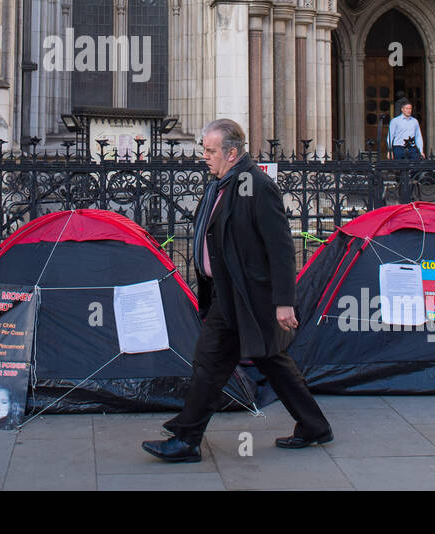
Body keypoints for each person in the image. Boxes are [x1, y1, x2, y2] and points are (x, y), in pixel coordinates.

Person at [141, 118, 333, 463]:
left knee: (211, 362)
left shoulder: (256, 185)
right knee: (266, 361)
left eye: (210, 150)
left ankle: (187, 438)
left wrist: (284, 303)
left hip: (248, 297)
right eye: (204, 149)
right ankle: (314, 425)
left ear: (231, 153)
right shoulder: (222, 182)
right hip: (227, 293)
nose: (205, 156)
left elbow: (281, 247)